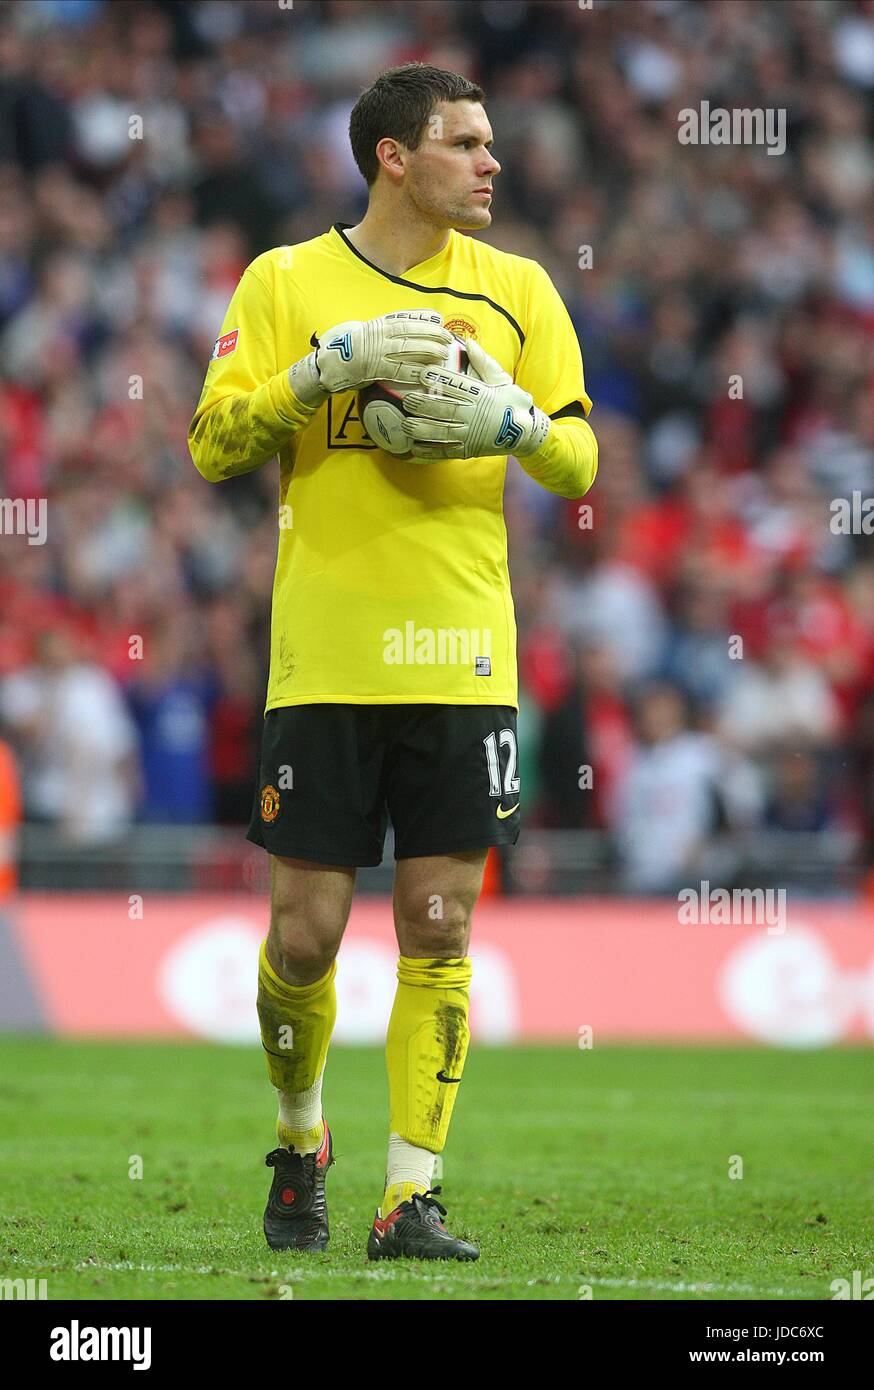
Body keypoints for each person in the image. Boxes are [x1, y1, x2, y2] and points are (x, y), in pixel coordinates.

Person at [188, 63, 597, 1262]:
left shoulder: (519, 289)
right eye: (465, 143)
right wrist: (321, 371)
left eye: (490, 142)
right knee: (304, 937)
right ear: (393, 157)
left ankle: (408, 1195)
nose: (491, 162)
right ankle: (299, 1138)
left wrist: (515, 425)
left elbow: (580, 463)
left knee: (438, 922)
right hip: (325, 658)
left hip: (463, 659)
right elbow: (213, 442)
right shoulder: (285, 281)